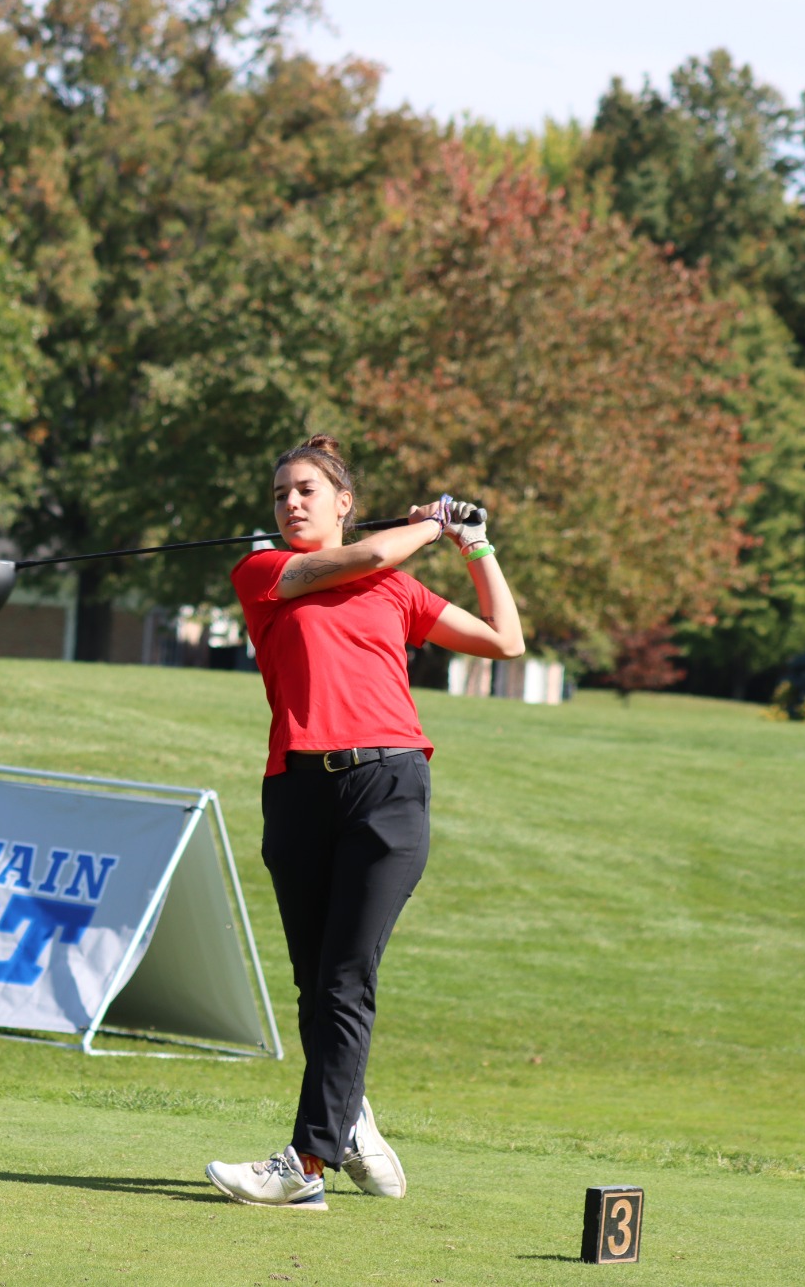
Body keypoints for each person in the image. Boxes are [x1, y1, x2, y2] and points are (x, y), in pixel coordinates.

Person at [205, 434, 523, 1210]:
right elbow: (357, 562)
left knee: (346, 979)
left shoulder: (397, 590)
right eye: (281, 493)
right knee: (316, 986)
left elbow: (505, 639)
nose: (291, 503)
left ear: (344, 502)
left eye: (308, 490)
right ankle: (346, 1122)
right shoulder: (266, 572)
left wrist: (475, 545)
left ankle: (305, 1165)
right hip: (297, 790)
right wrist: (433, 523)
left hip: (388, 787)